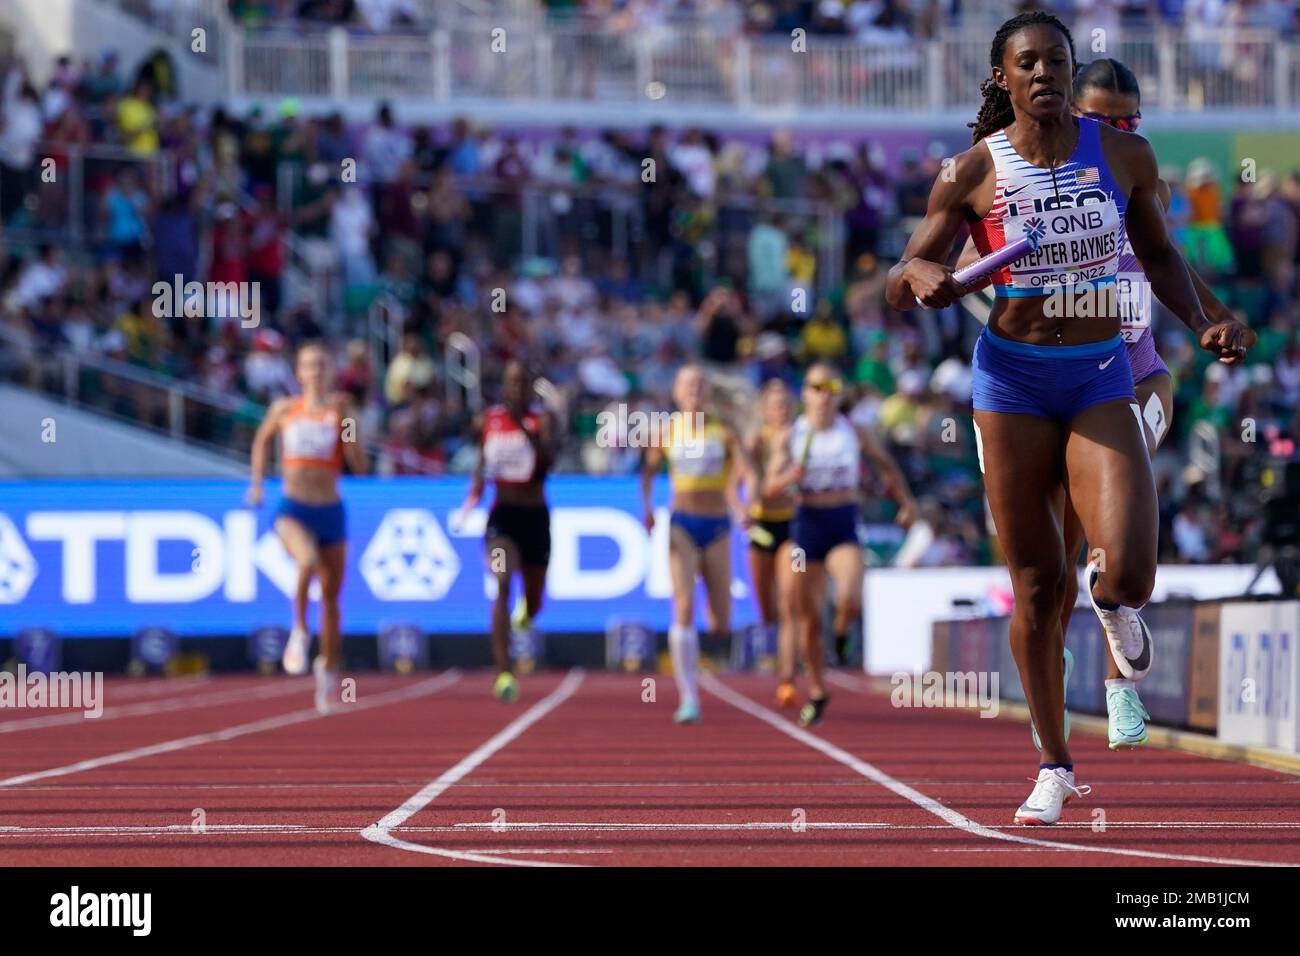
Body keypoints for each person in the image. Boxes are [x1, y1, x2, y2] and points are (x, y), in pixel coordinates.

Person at [885, 11, 1253, 824]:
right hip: (1011, 383)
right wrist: (921, 277)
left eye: (1057, 59)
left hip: (1098, 373)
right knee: (1037, 584)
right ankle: (1054, 766)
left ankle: (1117, 607)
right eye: (1029, 63)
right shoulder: (973, 170)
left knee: (1127, 567)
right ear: (1003, 79)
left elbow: (1160, 257)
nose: (1045, 72)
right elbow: (901, 272)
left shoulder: (1123, 155)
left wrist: (1208, 322)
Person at [763, 363, 918, 727]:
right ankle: (817, 688)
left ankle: (842, 630)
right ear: (806, 394)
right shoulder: (791, 436)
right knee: (809, 615)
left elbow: (885, 466)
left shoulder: (854, 432)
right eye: (816, 387)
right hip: (806, 529)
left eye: (831, 386)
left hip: (843, 523)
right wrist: (789, 477)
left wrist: (906, 502)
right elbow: (767, 490)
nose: (824, 394)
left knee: (849, 594)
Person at [249, 342, 367, 713]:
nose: (315, 372)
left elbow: (358, 464)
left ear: (330, 371)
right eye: (308, 366)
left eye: (321, 365)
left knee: (332, 600)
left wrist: (347, 422)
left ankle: (327, 673)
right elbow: (262, 440)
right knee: (305, 561)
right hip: (293, 508)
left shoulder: (339, 412)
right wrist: (256, 483)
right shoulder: (285, 409)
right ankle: (299, 630)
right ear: (298, 373)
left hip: (330, 509)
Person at [642, 365, 752, 724]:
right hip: (682, 524)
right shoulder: (666, 431)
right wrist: (647, 509)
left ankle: (701, 637)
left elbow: (745, 470)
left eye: (700, 384)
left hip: (718, 525)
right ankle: (689, 696)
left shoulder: (724, 429)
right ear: (676, 391)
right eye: (688, 384)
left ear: (708, 392)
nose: (694, 390)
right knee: (684, 604)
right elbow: (648, 470)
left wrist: (742, 501)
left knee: (721, 622)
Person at [459, 360, 556, 703]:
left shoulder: (541, 420)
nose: (515, 389)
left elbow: (548, 461)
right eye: (510, 382)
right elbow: (481, 467)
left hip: (535, 519)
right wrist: (470, 502)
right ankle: (504, 671)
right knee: (500, 582)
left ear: (530, 388)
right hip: (502, 518)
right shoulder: (489, 420)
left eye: (521, 383)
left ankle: (526, 615)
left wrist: (522, 426)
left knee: (534, 601)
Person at [744, 379, 800, 707]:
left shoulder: (803, 438)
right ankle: (778, 647)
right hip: (763, 527)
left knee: (788, 603)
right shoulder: (756, 441)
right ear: (764, 411)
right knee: (767, 609)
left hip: (793, 525)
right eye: (776, 405)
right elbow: (750, 486)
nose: (782, 410)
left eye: (786, 404)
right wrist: (741, 507)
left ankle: (787, 679)